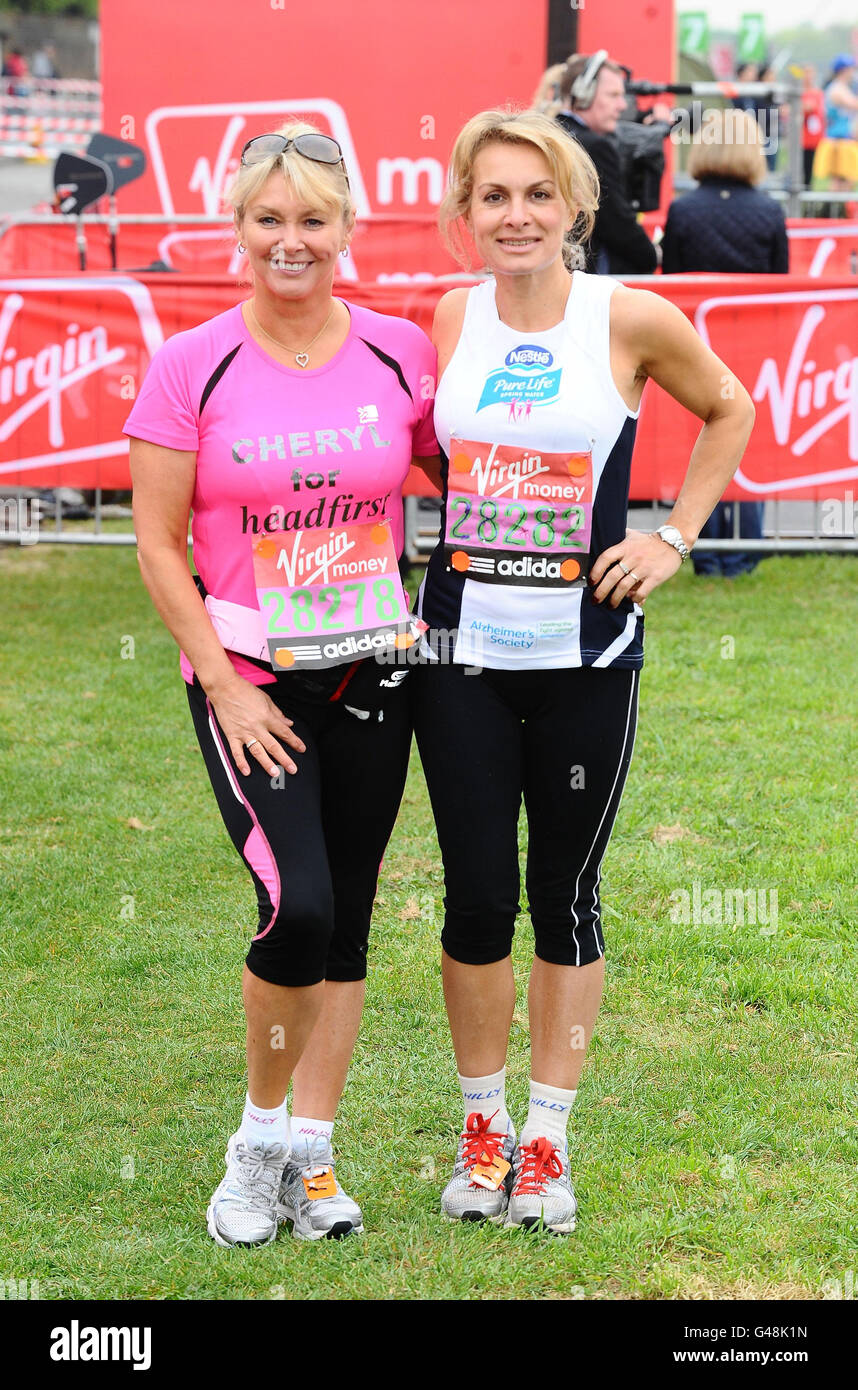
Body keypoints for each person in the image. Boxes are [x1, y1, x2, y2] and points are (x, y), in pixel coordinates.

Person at [412, 108, 754, 1233]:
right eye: (492, 195)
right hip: (458, 653)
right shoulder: (448, 314)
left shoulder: (631, 314)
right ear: (465, 212)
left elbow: (729, 406)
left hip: (586, 657)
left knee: (564, 895)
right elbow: (425, 453)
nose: (514, 215)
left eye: (535, 194)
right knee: (473, 900)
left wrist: (675, 535)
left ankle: (548, 1141)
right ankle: (481, 1125)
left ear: (574, 206)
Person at [125, 123, 438, 1247]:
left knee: (345, 920)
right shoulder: (189, 361)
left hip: (371, 672)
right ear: (238, 228)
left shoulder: (404, 351)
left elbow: (469, 471)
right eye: (270, 218)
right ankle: (256, 1145)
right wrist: (224, 685)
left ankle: (314, 1154)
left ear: (349, 228)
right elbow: (159, 544)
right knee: (293, 904)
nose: (291, 239)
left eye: (314, 218)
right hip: (250, 678)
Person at [662, 108, 786, 575]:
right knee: (745, 439)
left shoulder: (684, 209)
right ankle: (745, 551)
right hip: (751, 343)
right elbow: (780, 284)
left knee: (701, 438)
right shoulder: (770, 210)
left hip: (694, 345)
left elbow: (670, 282)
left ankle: (704, 547)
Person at [554, 53, 659, 275]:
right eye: (613, 95)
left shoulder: (548, 133)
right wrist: (651, 255)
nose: (622, 105)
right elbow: (617, 223)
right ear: (583, 94)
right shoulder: (595, 146)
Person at [813, 55, 858, 206]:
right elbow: (853, 104)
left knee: (846, 180)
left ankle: (838, 212)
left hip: (845, 140)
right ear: (843, 70)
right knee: (840, 180)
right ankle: (833, 212)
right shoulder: (836, 89)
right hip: (838, 140)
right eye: (851, 68)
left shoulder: (844, 87)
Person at [799, 64, 826, 189]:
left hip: (814, 138)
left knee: (811, 169)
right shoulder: (798, 92)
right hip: (801, 138)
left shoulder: (817, 93)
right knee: (800, 169)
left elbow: (814, 108)